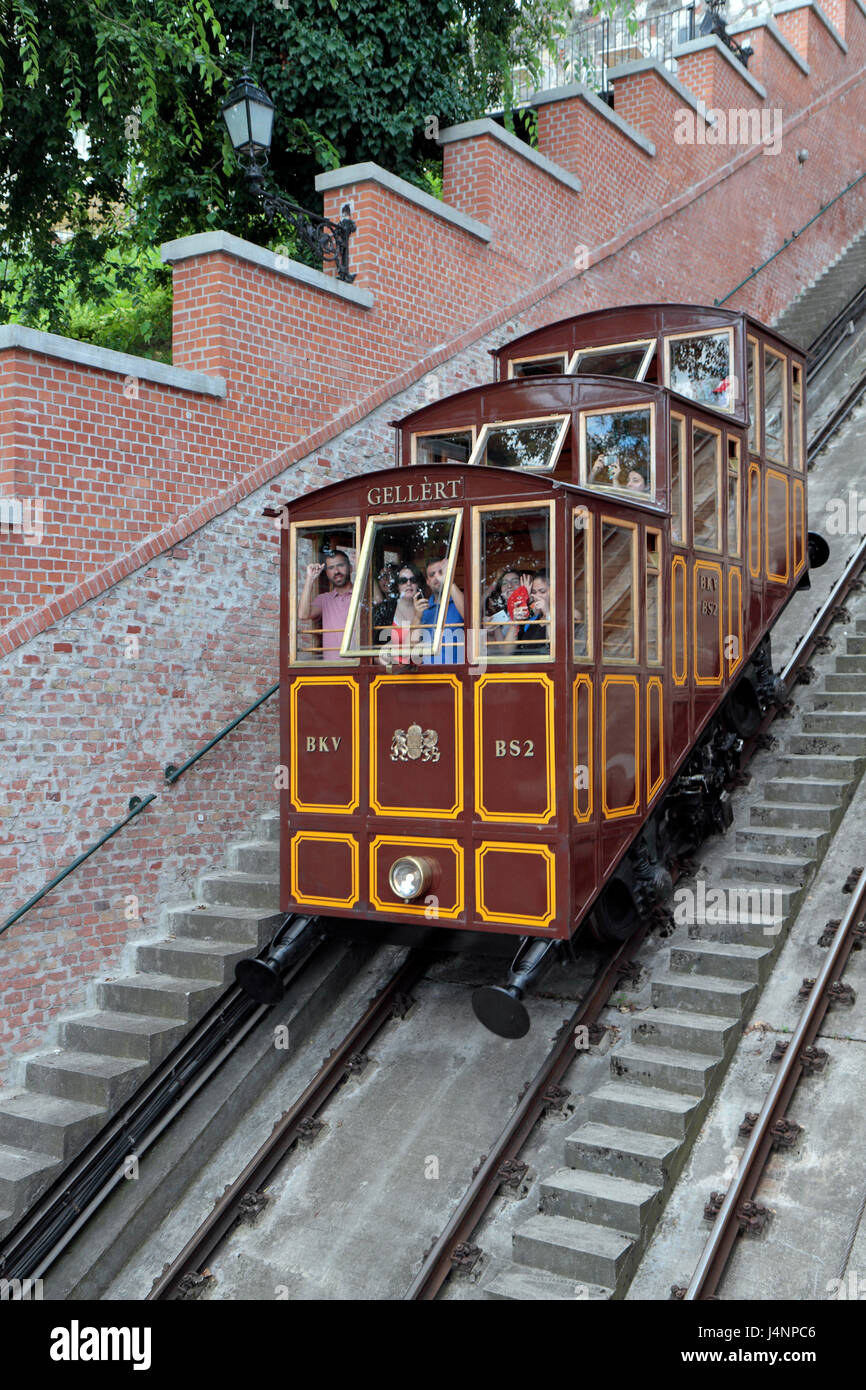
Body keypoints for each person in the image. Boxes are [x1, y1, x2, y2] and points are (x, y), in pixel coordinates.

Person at [298, 549, 354, 660]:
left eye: (340, 565)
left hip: (358, 666)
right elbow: (303, 615)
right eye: (331, 568)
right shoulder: (324, 599)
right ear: (327, 573)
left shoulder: (361, 596)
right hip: (331, 667)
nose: (336, 571)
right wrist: (310, 579)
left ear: (350, 568)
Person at [417, 553, 464, 664]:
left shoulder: (459, 601)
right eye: (432, 574)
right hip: (430, 675)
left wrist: (449, 581)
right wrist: (416, 617)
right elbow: (413, 651)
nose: (437, 577)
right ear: (427, 581)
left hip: (457, 676)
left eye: (441, 572)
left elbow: (471, 619)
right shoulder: (423, 608)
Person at [378, 564, 426, 666]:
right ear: (397, 585)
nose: (408, 583)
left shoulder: (426, 608)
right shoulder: (386, 610)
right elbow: (373, 652)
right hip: (393, 674)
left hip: (423, 673)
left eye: (413, 580)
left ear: (418, 584)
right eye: (403, 581)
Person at [501, 570, 551, 656]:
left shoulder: (569, 615)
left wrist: (547, 613)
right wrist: (515, 622)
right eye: (534, 592)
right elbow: (506, 652)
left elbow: (560, 650)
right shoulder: (535, 619)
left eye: (542, 591)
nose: (537, 596)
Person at [372, 562, 399, 637]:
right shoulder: (381, 606)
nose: (385, 579)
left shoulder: (401, 602)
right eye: (381, 577)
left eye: (388, 575)